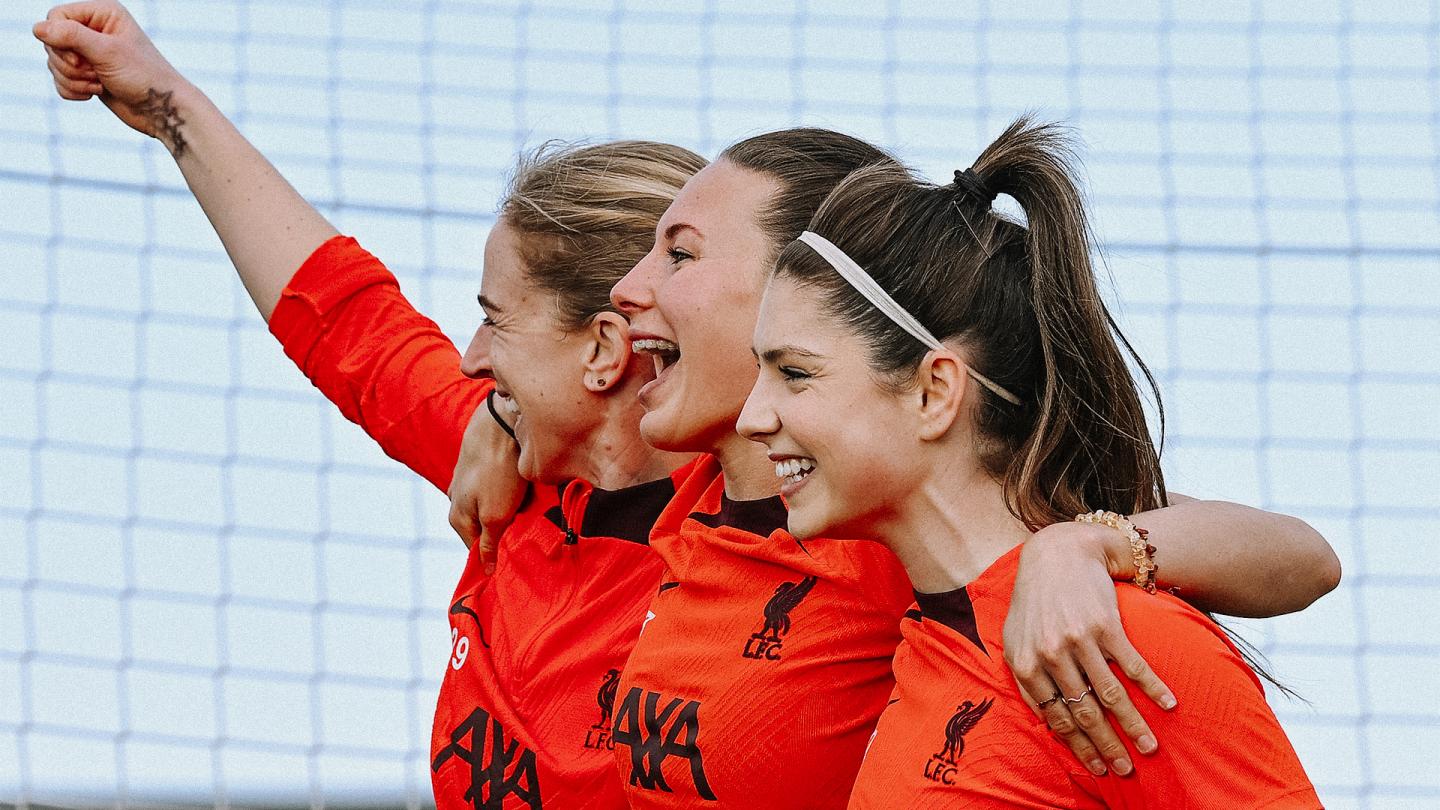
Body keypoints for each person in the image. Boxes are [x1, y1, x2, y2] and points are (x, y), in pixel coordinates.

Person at [33, 3, 708, 807]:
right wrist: (165, 103)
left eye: (495, 319)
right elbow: (344, 317)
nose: (471, 358)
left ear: (603, 351)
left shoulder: (774, 545)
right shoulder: (514, 473)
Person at [585, 128, 1339, 805]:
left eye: (795, 373)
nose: (756, 417)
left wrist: (1086, 544)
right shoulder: (927, 639)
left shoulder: (1104, 636)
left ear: (934, 391)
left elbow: (1302, 558)